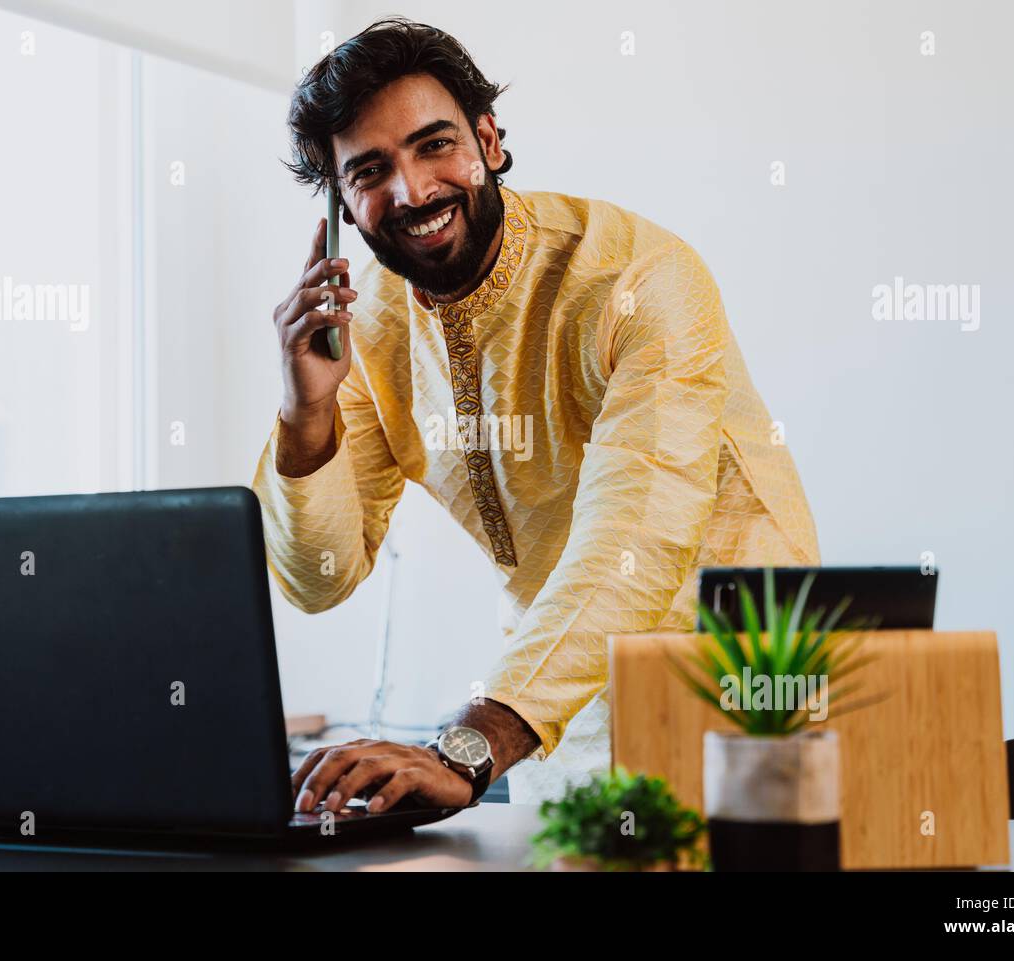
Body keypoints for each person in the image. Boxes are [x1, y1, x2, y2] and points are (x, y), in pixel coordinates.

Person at [254, 17, 820, 812]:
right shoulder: (364, 329)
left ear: (489, 138)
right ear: (341, 204)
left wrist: (471, 743)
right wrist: (303, 406)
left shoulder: (642, 279)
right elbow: (317, 578)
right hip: (555, 713)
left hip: (737, 689)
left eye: (435, 144)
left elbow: (636, 537)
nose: (413, 191)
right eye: (372, 170)